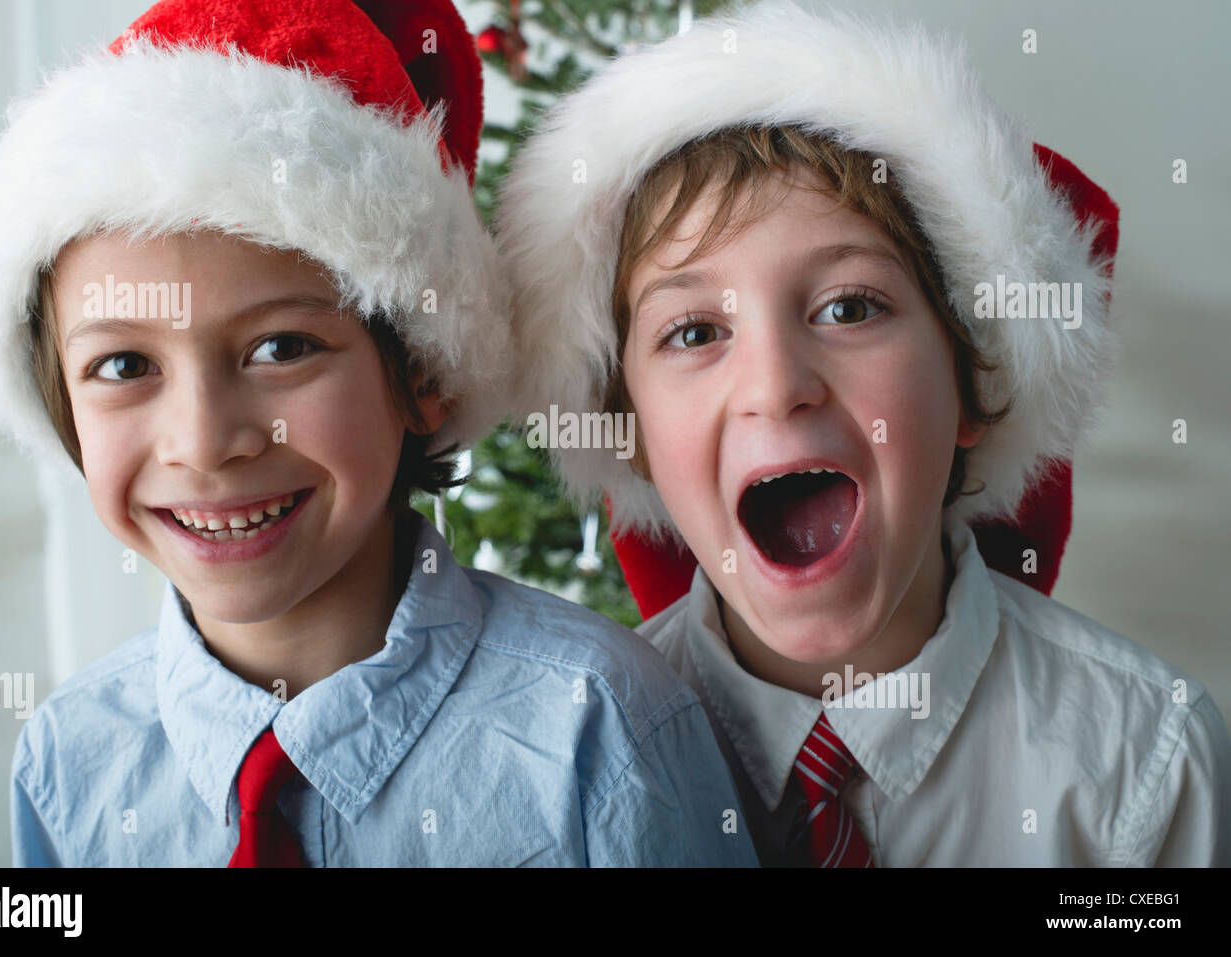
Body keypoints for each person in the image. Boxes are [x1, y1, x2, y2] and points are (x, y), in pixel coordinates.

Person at [0, 0, 756, 868]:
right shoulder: (66, 763)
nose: (204, 440)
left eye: (280, 348)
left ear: (424, 377)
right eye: (122, 366)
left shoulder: (602, 726)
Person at [495, 0, 1231, 865]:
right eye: (694, 332)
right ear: (629, 431)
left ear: (971, 385)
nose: (776, 386)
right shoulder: (558, 761)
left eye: (849, 307)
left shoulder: (1143, 764)